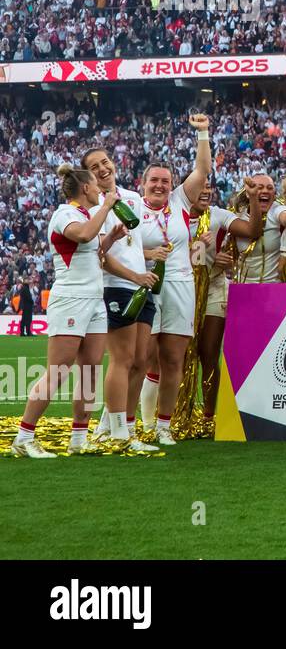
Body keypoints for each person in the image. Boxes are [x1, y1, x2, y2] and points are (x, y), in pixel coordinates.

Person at [11, 164, 123, 457]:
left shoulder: (86, 215)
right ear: (85, 188)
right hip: (71, 299)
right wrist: (108, 206)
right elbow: (84, 236)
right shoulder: (65, 215)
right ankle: (24, 437)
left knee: (89, 371)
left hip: (94, 300)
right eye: (96, 186)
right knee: (58, 371)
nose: (101, 190)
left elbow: (94, 250)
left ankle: (79, 438)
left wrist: (111, 238)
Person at [136, 113, 212, 447]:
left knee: (172, 360)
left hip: (181, 286)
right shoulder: (131, 207)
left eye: (165, 181)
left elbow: (202, 170)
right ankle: (140, 422)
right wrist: (145, 256)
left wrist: (203, 134)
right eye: (154, 180)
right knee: (143, 357)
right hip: (145, 284)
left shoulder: (180, 200)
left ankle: (163, 427)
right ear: (143, 183)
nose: (160, 186)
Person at [85, 146, 159, 449]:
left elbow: (131, 244)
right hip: (116, 286)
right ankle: (117, 432)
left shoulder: (133, 198)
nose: (103, 168)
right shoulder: (94, 207)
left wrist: (147, 262)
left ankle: (123, 427)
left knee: (141, 361)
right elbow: (101, 255)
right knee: (122, 359)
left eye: (105, 162)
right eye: (94, 167)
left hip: (142, 286)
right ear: (88, 176)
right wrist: (135, 276)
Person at [188, 181, 261, 432]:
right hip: (183, 289)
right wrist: (203, 252)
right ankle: (173, 415)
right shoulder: (174, 216)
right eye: (200, 187)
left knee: (208, 352)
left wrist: (252, 198)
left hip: (215, 286)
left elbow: (252, 231)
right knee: (176, 355)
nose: (206, 191)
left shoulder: (219, 215)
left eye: (209, 187)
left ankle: (209, 418)